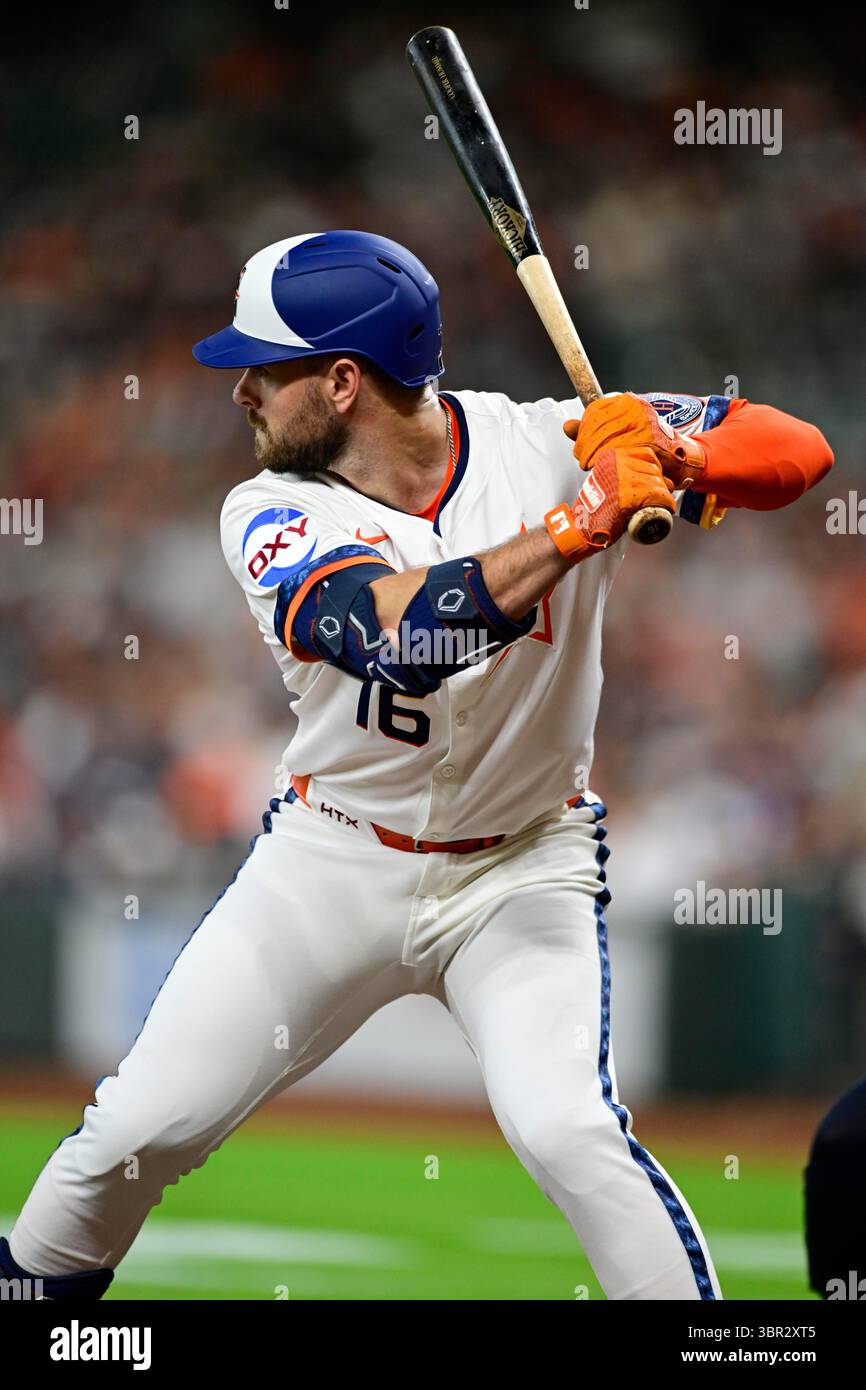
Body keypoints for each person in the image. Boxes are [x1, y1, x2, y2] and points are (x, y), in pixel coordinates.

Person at [1, 229, 833, 1301]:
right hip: (333, 859)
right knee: (133, 1135)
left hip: (522, 863)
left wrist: (672, 453)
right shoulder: (268, 507)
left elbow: (797, 450)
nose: (243, 389)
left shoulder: (550, 438)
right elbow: (399, 639)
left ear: (343, 381)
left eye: (268, 365)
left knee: (570, 1131)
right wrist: (584, 520)